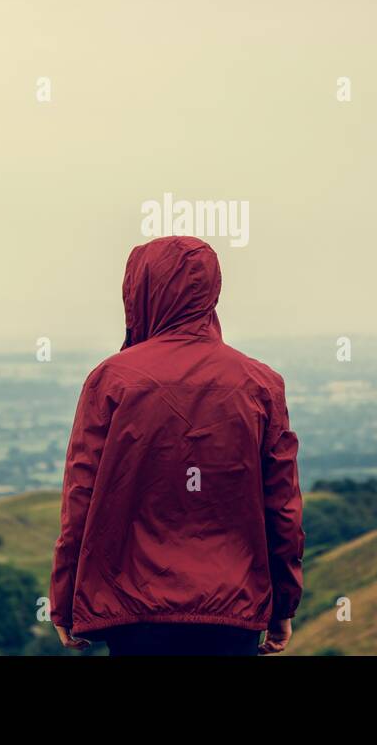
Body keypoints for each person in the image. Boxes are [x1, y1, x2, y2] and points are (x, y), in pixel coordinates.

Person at [51, 235, 304, 656]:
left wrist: (63, 601)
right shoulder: (260, 384)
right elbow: (283, 510)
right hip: (233, 610)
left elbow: (80, 499)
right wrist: (283, 605)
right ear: (212, 292)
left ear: (139, 290)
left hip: (133, 612)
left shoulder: (111, 380)